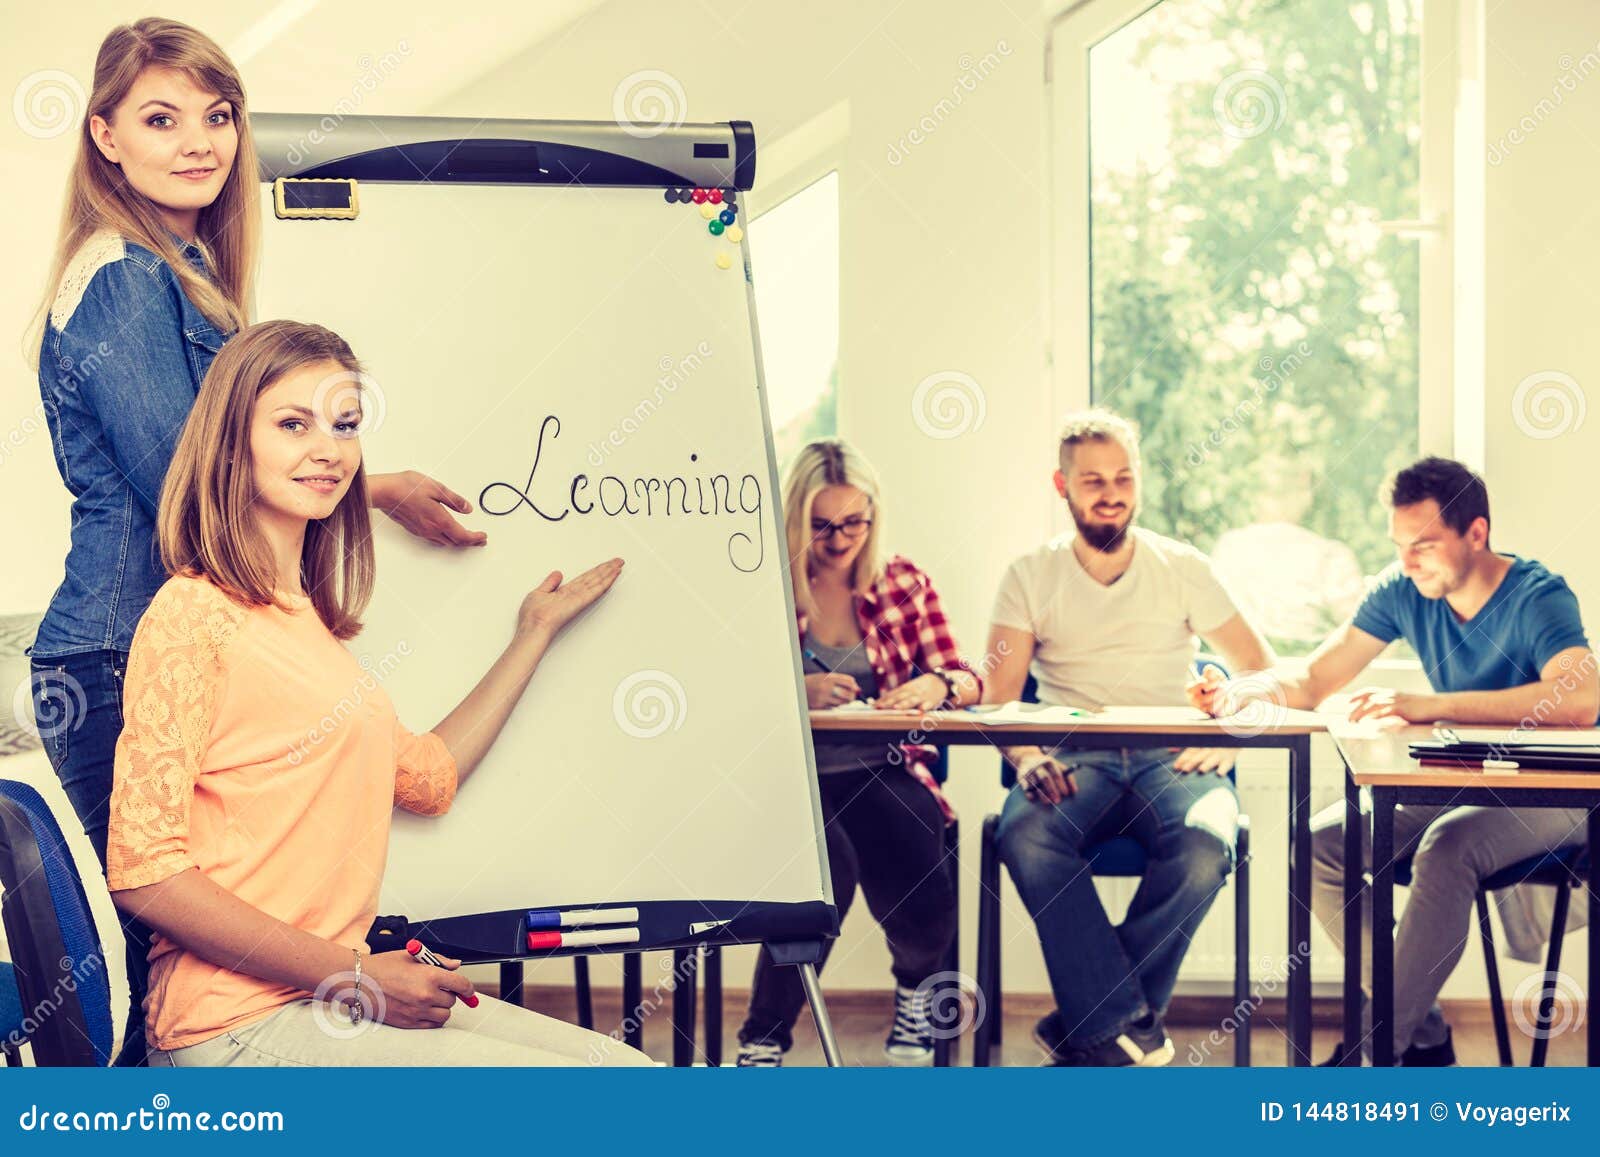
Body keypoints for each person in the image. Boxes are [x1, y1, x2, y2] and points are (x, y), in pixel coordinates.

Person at [27, 17, 482, 1065]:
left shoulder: (177, 264)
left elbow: (225, 457)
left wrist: (377, 483)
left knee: (191, 972)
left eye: (218, 115)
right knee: (159, 984)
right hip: (112, 649)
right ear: (103, 135)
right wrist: (366, 487)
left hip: (140, 638)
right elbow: (192, 477)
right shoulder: (122, 278)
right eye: (160, 118)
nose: (198, 141)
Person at [103, 320, 650, 1066]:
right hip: (232, 1026)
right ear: (233, 444)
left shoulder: (311, 633)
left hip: (323, 1000)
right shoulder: (194, 612)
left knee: (627, 1072)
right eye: (293, 423)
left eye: (345, 424)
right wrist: (356, 975)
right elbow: (145, 871)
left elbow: (429, 776)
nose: (327, 447)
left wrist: (533, 632)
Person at [1191, 456, 1599, 1065]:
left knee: (1448, 847)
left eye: (1425, 544)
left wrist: (1430, 706)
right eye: (1400, 544)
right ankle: (1422, 1030)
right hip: (1462, 786)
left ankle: (1372, 1051)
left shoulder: (1537, 595)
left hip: (1551, 795)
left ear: (1476, 533)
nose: (1408, 561)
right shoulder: (1403, 589)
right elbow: (1313, 679)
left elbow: (1581, 700)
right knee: (1320, 845)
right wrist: (1240, 693)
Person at [984, 409, 1274, 1066]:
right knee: (1024, 835)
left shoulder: (1183, 566)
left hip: (1170, 755)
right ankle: (1119, 1026)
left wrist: (1230, 737)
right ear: (1061, 486)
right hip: (1071, 756)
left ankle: (1090, 1027)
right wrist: (1027, 758)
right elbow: (1000, 697)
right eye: (1092, 480)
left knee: (1207, 845)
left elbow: (1265, 670)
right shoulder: (1029, 575)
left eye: (1123, 476)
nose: (1111, 491)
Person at [735, 439, 980, 1067]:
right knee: (827, 872)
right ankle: (763, 1041)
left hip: (881, 768)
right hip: (794, 778)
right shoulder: (761, 581)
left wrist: (939, 683)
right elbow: (726, 693)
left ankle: (914, 1006)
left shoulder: (901, 582)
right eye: (822, 525)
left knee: (920, 847)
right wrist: (800, 689)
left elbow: (972, 680)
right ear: (796, 519)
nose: (841, 538)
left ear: (873, 517)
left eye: (854, 522)